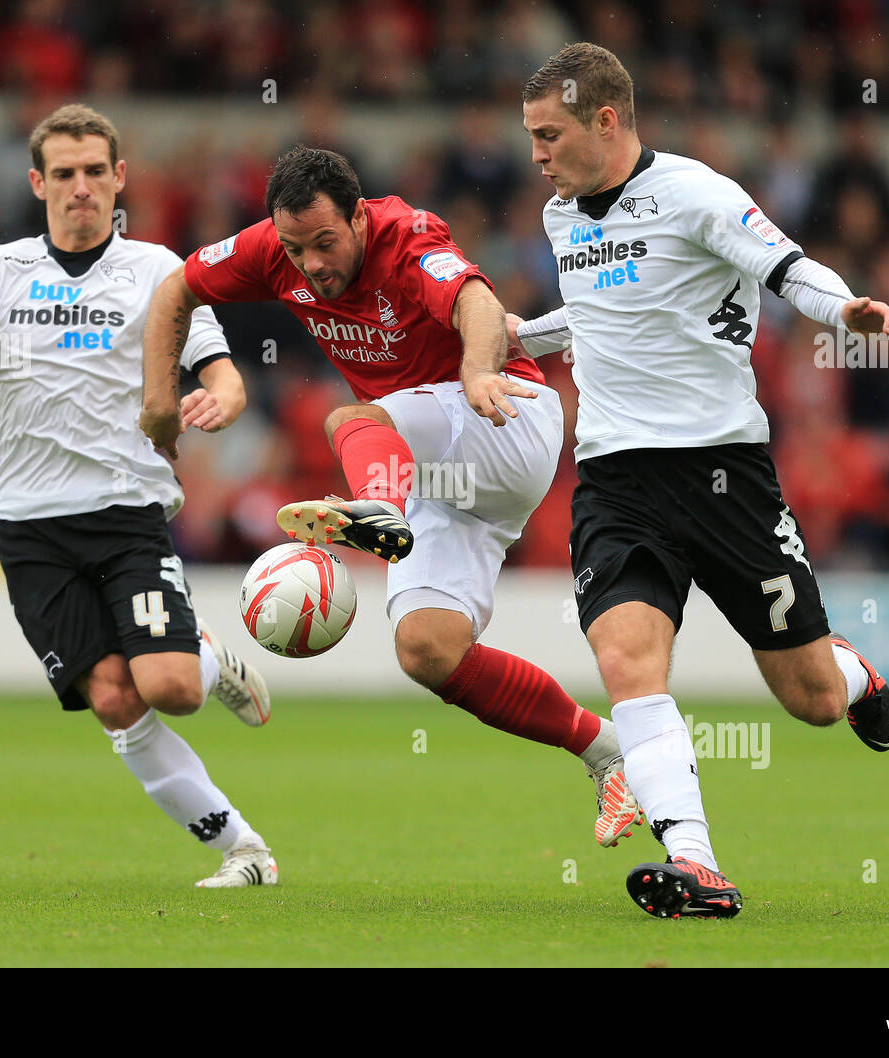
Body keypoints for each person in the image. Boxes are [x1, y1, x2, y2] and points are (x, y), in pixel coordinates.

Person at [512, 43, 889, 917]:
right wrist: (516, 336)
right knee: (627, 661)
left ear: (607, 120)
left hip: (723, 473)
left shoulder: (698, 193)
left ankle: (852, 678)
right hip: (614, 478)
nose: (538, 154)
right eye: (532, 137)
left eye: (550, 134)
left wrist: (846, 307)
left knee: (808, 698)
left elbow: (788, 266)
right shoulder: (561, 218)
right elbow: (596, 314)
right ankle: (697, 865)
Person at [139, 146, 642, 847]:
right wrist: (162, 403)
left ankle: (377, 507)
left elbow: (478, 302)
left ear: (359, 217)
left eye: (325, 242)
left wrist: (473, 371)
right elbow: (174, 288)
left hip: (504, 415)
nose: (311, 262)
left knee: (350, 418)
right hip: (436, 470)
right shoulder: (272, 251)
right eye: (295, 247)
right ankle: (610, 753)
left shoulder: (406, 236)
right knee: (428, 650)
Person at [0, 104, 277, 889]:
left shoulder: (156, 271)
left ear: (119, 178)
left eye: (94, 172)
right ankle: (246, 852)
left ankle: (204, 659)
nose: (80, 188)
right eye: (63, 174)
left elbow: (225, 375)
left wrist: (223, 403)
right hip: (30, 529)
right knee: (112, 698)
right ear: (37, 183)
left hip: (124, 509)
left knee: (169, 687)